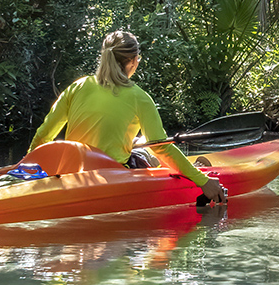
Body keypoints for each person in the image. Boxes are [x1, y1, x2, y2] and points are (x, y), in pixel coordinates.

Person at [27, 30, 227, 204]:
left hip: (71, 173)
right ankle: (197, 169)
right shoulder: (139, 97)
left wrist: (26, 173)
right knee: (147, 150)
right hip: (114, 175)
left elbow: (43, 136)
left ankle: (189, 165)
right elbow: (161, 147)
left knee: (137, 142)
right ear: (133, 61)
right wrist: (203, 182)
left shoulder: (77, 87)